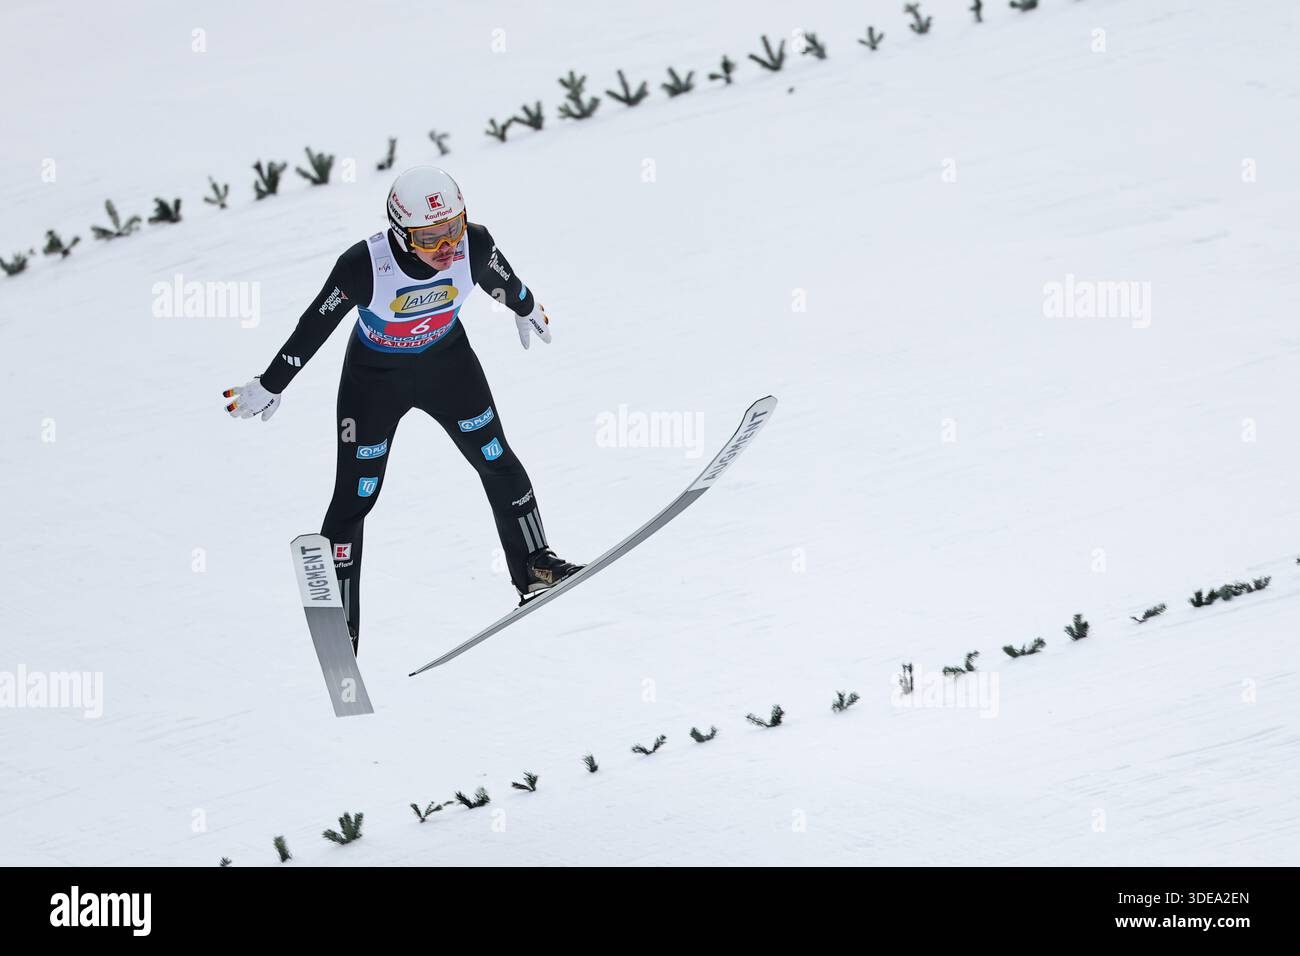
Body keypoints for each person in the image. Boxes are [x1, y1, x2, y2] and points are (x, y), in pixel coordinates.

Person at [223, 166, 582, 653]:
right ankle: (340, 626)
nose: (447, 248)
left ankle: (535, 566)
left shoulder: (473, 245)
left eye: (453, 229)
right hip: (374, 382)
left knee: (497, 460)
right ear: (399, 233)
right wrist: (272, 383)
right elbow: (314, 325)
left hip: (447, 366)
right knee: (356, 498)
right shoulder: (363, 266)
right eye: (430, 238)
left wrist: (527, 307)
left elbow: (505, 282)